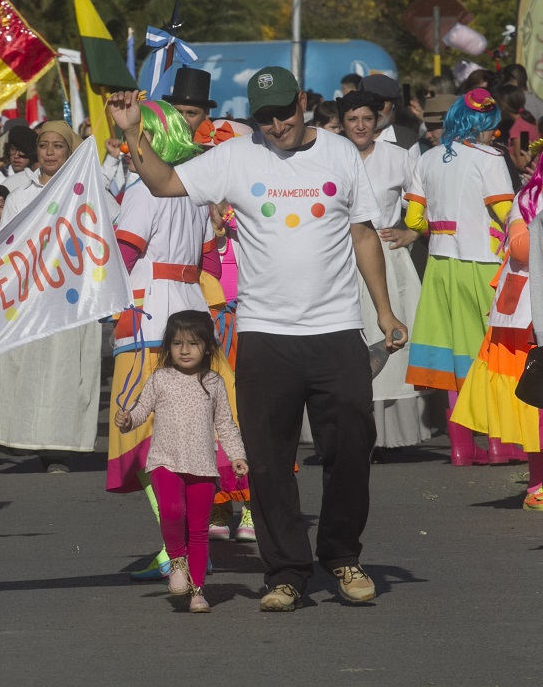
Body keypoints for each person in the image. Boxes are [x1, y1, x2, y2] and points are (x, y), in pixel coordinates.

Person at [108, 65, 408, 611]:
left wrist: (384, 311)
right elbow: (166, 182)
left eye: (283, 113)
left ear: (301, 103)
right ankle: (286, 572)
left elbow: (363, 234)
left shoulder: (340, 153)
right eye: (263, 118)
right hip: (266, 334)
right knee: (269, 460)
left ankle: (342, 556)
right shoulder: (237, 155)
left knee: (350, 449)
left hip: (336, 329)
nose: (275, 126)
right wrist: (132, 132)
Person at [105, 100, 243, 579]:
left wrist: (99, 304)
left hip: (148, 322)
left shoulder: (146, 191)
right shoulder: (196, 192)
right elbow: (208, 262)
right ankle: (195, 531)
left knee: (146, 439)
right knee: (194, 431)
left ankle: (174, 545)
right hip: (191, 312)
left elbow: (123, 252)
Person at [405, 90, 517, 466]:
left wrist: (439, 230)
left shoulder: (428, 158)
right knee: (493, 355)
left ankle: (460, 447)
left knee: (456, 356)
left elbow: (412, 220)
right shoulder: (490, 158)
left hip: (440, 265)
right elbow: (504, 210)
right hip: (483, 264)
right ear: (483, 124)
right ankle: (500, 444)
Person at [115, 310, 247, 612]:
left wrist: (237, 455)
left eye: (193, 343)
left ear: (207, 347)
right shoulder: (160, 378)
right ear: (168, 348)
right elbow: (139, 412)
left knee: (199, 531)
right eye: (177, 344)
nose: (184, 350)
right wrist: (125, 421)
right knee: (172, 510)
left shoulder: (213, 382)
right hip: (164, 462)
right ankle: (177, 562)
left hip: (202, 467)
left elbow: (225, 424)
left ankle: (198, 591)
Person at [0, 121, 101, 472]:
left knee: (66, 372)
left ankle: (60, 451)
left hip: (71, 296)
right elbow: (5, 248)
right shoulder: (19, 195)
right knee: (30, 370)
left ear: (70, 151)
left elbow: (101, 241)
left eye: (58, 146)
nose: (50, 152)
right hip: (28, 296)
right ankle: (25, 440)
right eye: (43, 145)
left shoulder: (88, 192)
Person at [334, 90, 430, 455]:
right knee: (345, 342)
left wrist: (411, 231)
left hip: (387, 261)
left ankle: (384, 438)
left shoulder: (398, 158)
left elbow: (425, 199)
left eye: (367, 119)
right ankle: (346, 432)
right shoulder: (330, 155)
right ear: (342, 123)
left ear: (378, 121)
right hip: (339, 258)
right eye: (353, 119)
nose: (360, 126)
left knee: (388, 341)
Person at [453, 157, 543, 507]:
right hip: (529, 320)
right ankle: (537, 485)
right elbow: (521, 248)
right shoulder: (529, 199)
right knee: (535, 406)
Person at [361, 74, 419, 150]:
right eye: (370, 101)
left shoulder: (407, 140)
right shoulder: (347, 138)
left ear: (393, 105)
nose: (376, 108)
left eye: (381, 102)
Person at [161, 67, 217, 135]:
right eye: (178, 112)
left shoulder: (220, 144)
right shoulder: (156, 142)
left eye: (191, 114)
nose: (183, 120)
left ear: (206, 114)